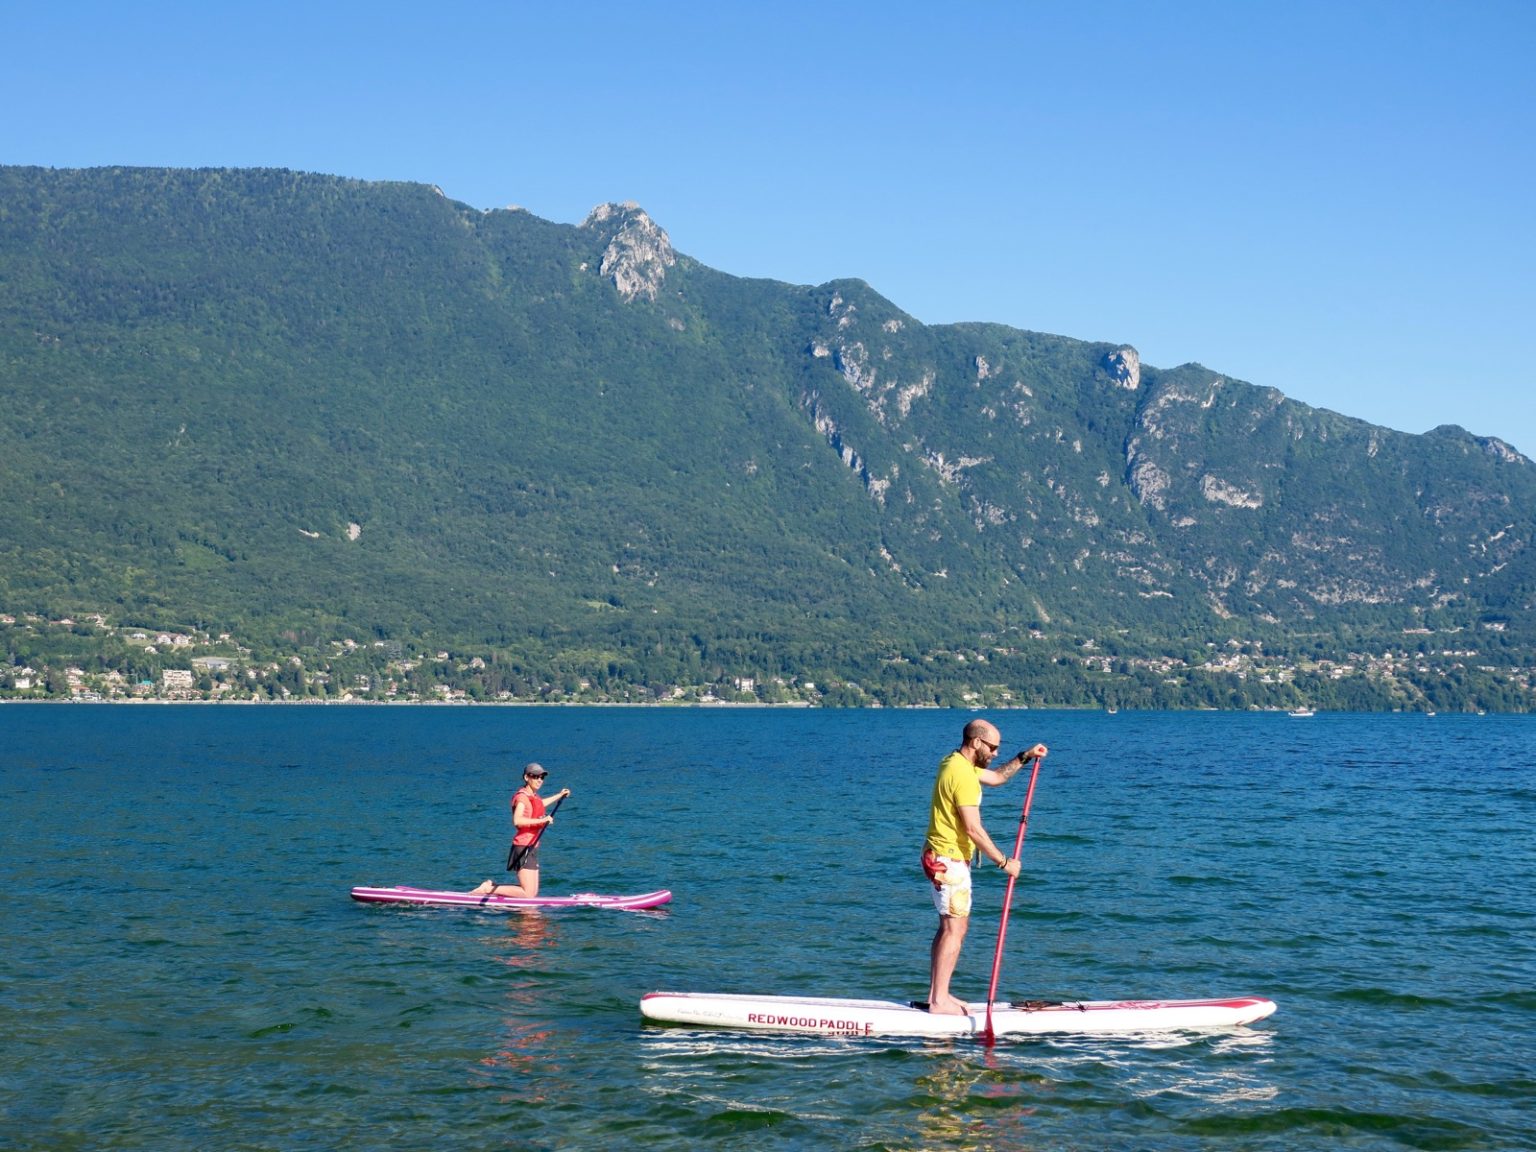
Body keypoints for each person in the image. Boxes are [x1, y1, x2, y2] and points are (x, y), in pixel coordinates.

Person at [922, 718, 1047, 1015]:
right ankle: (939, 1001)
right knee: (954, 929)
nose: (994, 753)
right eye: (992, 747)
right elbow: (974, 830)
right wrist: (1005, 863)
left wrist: (1024, 757)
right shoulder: (962, 776)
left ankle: (937, 994)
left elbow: (997, 778)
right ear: (976, 742)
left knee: (951, 927)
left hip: (941, 855)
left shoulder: (954, 763)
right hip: (948, 859)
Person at [472, 762, 571, 898]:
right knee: (528, 894)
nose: (539, 780)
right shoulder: (522, 797)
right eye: (535, 776)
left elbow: (540, 805)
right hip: (523, 846)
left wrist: (559, 795)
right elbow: (517, 820)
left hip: (532, 846)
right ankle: (489, 888)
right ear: (526, 778)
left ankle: (495, 889)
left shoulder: (534, 797)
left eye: (541, 777)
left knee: (532, 892)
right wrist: (542, 820)